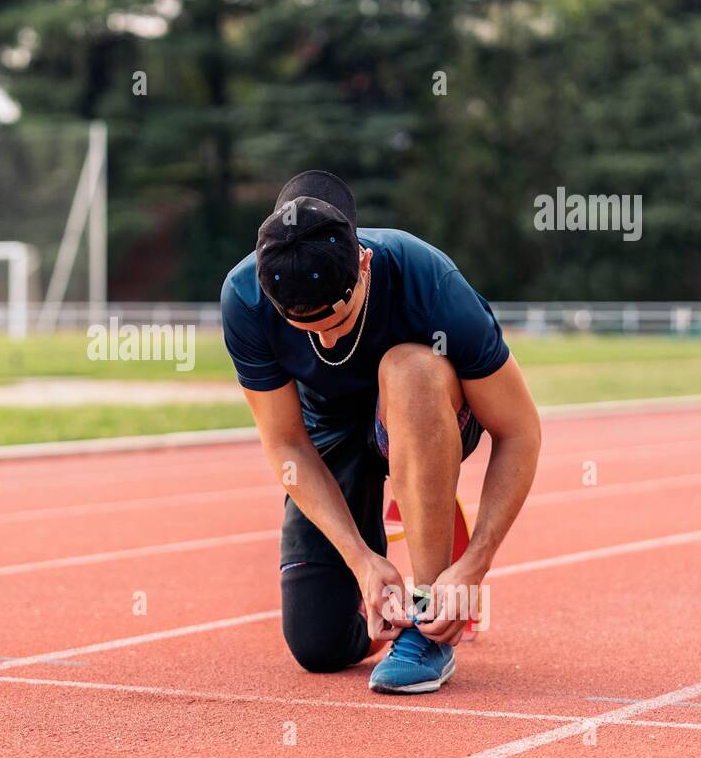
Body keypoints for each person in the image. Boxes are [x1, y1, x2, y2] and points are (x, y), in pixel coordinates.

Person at [220, 171, 541, 693]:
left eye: (337, 319)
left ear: (363, 262)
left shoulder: (427, 279)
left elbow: (520, 431)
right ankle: (392, 599)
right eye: (306, 328)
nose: (324, 336)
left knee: (409, 368)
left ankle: (430, 615)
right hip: (328, 433)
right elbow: (285, 443)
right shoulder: (245, 298)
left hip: (425, 411)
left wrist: (474, 567)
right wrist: (362, 561)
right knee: (319, 648)